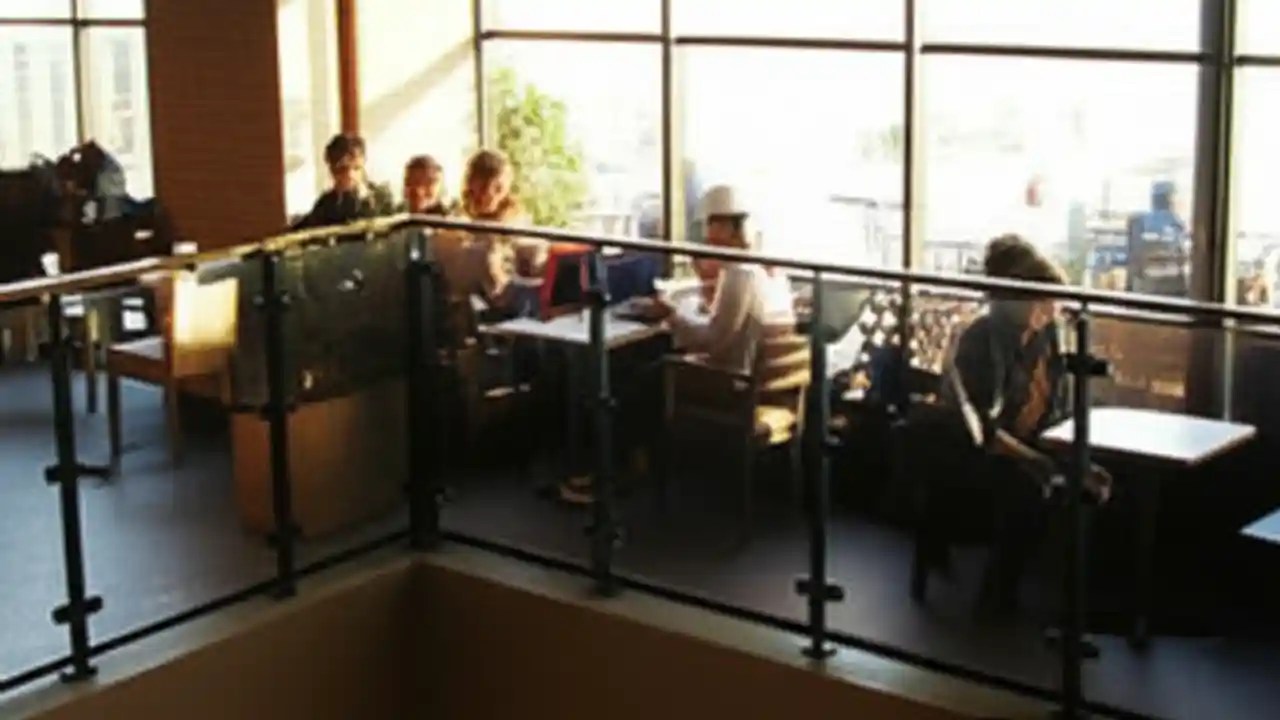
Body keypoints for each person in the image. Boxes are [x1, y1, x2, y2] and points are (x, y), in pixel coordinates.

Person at [941, 234, 1111, 615]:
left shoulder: (1045, 337)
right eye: (1042, 299)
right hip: (980, 450)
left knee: (1100, 480)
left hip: (1032, 441)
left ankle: (1080, 598)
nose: (1050, 310)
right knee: (1025, 491)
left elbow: (1056, 408)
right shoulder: (980, 340)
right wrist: (1040, 462)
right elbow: (982, 430)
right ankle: (996, 600)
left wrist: (1069, 456)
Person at [641, 185, 795, 375]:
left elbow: (712, 341)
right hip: (764, 385)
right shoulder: (772, 274)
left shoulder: (739, 274)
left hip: (729, 384)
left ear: (727, 228)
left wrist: (672, 316)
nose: (707, 235)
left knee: (646, 372)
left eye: (711, 223)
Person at [435, 148, 544, 318]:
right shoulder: (456, 224)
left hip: (510, 293)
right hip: (489, 301)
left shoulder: (513, 221)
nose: (490, 195)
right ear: (470, 185)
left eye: (498, 189)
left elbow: (529, 255)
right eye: (484, 187)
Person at [293, 133, 394, 230]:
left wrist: (365, 202)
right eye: (342, 169)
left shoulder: (381, 198)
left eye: (356, 168)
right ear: (332, 170)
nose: (350, 175)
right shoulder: (325, 206)